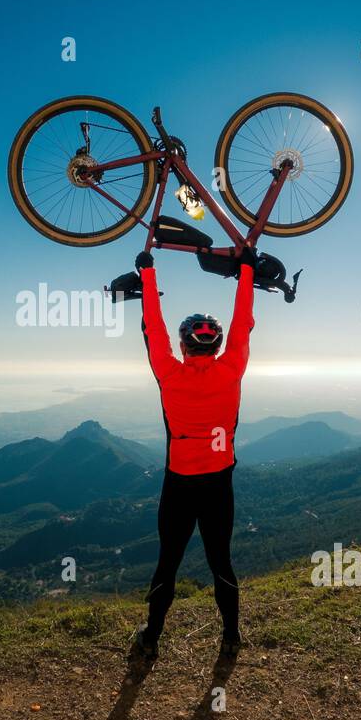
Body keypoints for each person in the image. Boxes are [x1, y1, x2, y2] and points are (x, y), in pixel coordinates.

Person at [132, 245, 256, 661]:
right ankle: (231, 637)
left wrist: (148, 274)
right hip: (220, 483)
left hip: (179, 484)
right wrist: (245, 269)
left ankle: (151, 638)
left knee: (168, 561)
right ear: (217, 346)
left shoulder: (168, 373)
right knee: (221, 559)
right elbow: (244, 323)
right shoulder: (232, 368)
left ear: (184, 346)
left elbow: (153, 326)